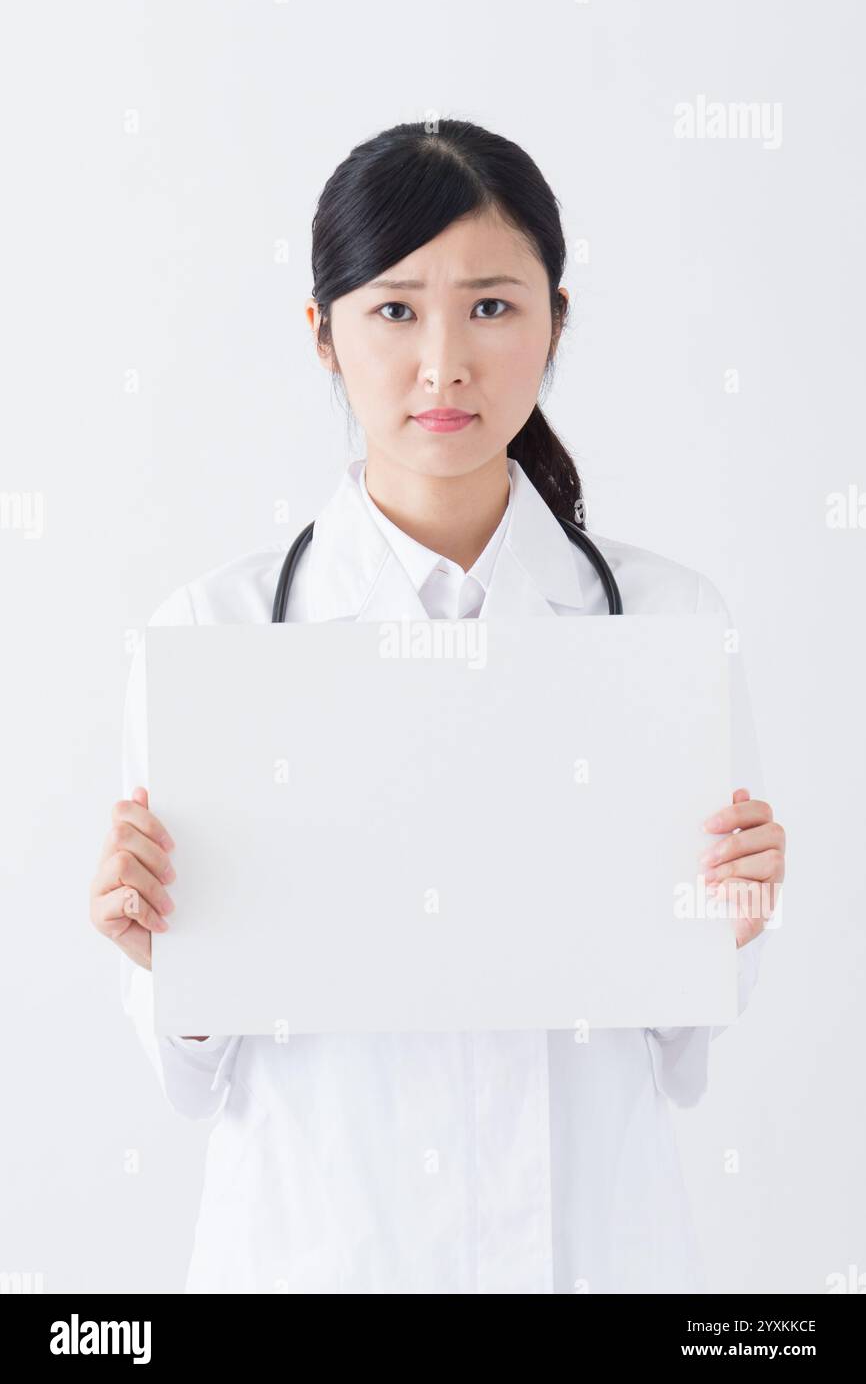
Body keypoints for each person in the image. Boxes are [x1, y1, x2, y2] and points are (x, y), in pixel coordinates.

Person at [89, 118, 785, 1294]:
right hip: (315, 1251)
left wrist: (728, 916)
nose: (443, 363)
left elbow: (677, 1052)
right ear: (322, 335)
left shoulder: (664, 625)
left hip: (589, 1254)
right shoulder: (212, 636)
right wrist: (159, 955)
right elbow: (192, 1078)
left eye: (493, 307)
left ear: (558, 318)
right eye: (396, 309)